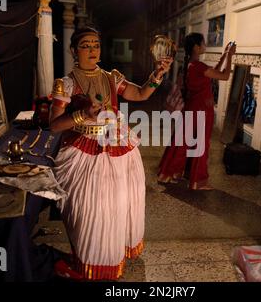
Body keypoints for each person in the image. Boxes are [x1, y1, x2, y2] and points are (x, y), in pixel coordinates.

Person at [49, 27, 172, 281]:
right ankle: (89, 262)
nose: (93, 50)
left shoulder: (111, 77)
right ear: (74, 50)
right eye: (86, 45)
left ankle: (111, 256)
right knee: (89, 212)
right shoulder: (66, 84)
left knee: (117, 207)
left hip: (119, 147)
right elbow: (54, 124)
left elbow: (139, 93)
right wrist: (83, 115)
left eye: (96, 45)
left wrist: (156, 76)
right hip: (85, 152)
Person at [158, 32, 236, 190]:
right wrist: (231, 57)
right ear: (196, 47)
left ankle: (169, 173)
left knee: (181, 142)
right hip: (201, 110)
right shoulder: (198, 67)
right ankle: (197, 181)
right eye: (203, 43)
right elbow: (225, 76)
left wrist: (225, 55)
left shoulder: (190, 65)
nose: (205, 45)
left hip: (191, 109)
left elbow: (213, 72)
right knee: (200, 145)